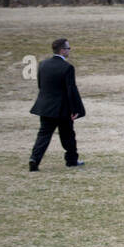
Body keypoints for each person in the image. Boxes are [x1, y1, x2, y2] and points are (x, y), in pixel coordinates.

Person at [28, 37, 86, 171]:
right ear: (62, 50)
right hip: (62, 109)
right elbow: (71, 89)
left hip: (46, 107)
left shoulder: (43, 64)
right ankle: (71, 160)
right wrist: (76, 109)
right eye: (68, 48)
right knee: (68, 135)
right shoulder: (67, 67)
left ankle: (34, 159)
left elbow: (40, 85)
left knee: (43, 135)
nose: (69, 50)